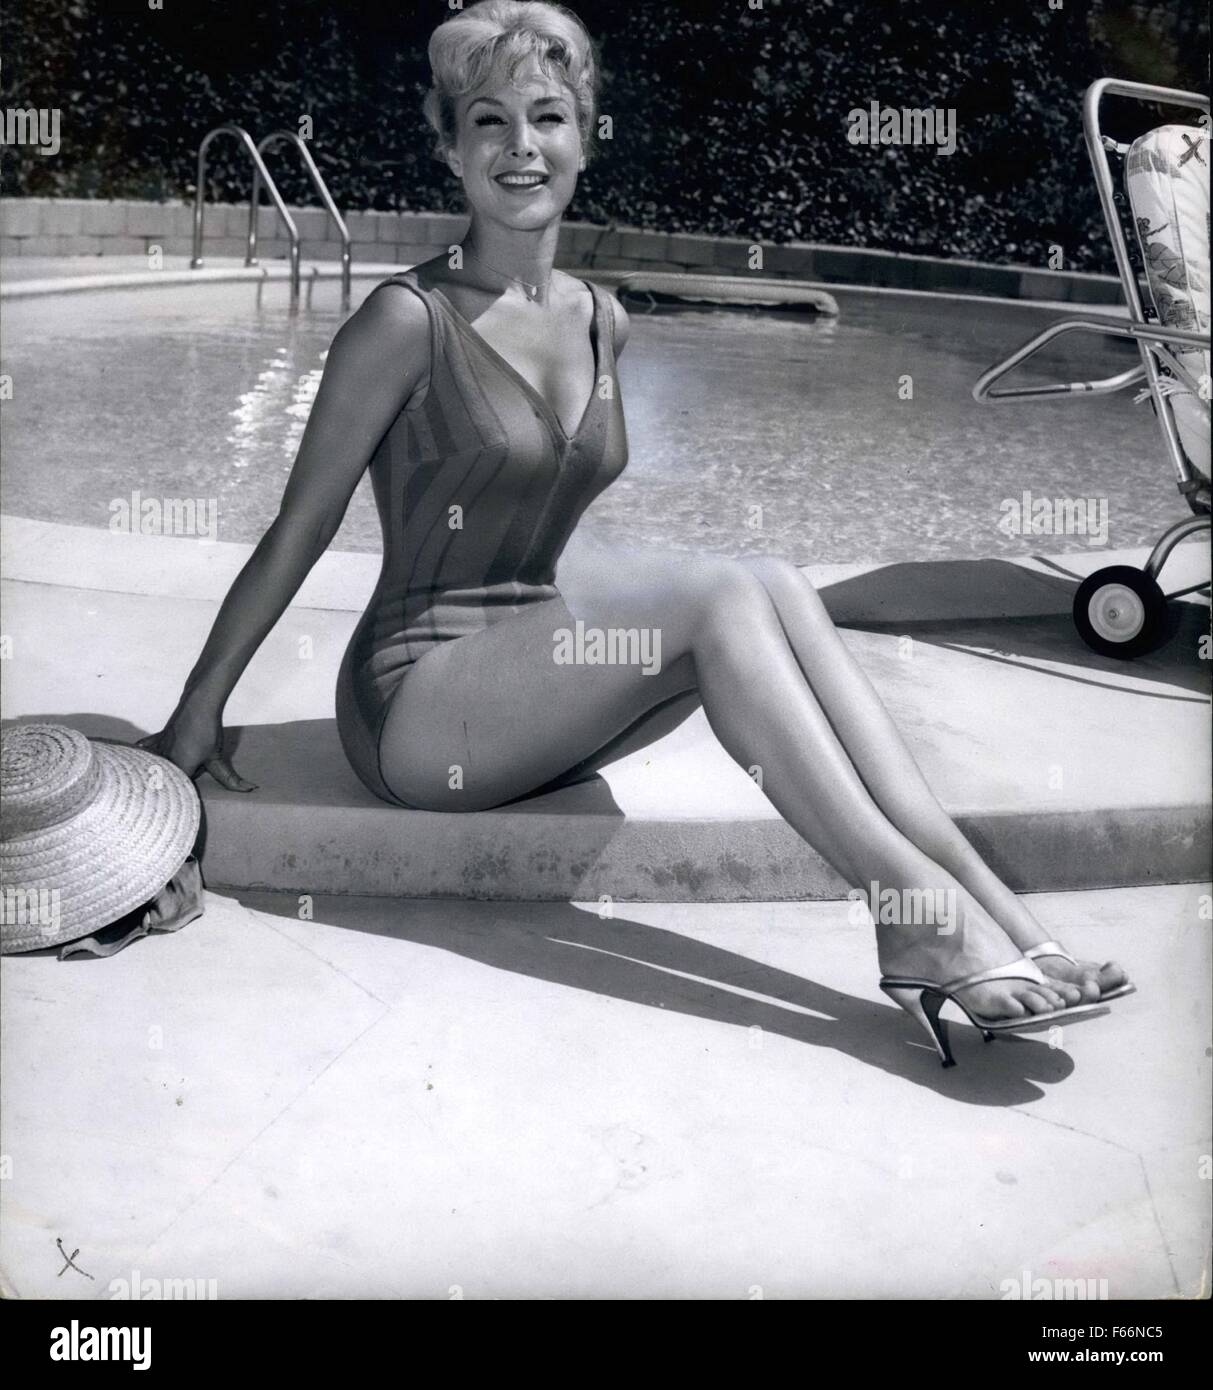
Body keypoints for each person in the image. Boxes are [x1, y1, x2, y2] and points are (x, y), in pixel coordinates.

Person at [140, 0, 1131, 1065]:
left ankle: (1006, 920)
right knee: (716, 593)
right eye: (487, 122)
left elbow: (550, 527)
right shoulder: (404, 320)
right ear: (449, 148)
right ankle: (912, 917)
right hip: (416, 707)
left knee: (768, 578)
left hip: (526, 687)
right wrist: (197, 712)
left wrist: (630, 622)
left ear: (583, 137)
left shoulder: (600, 317)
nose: (521, 146)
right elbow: (299, 526)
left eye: (547, 117)